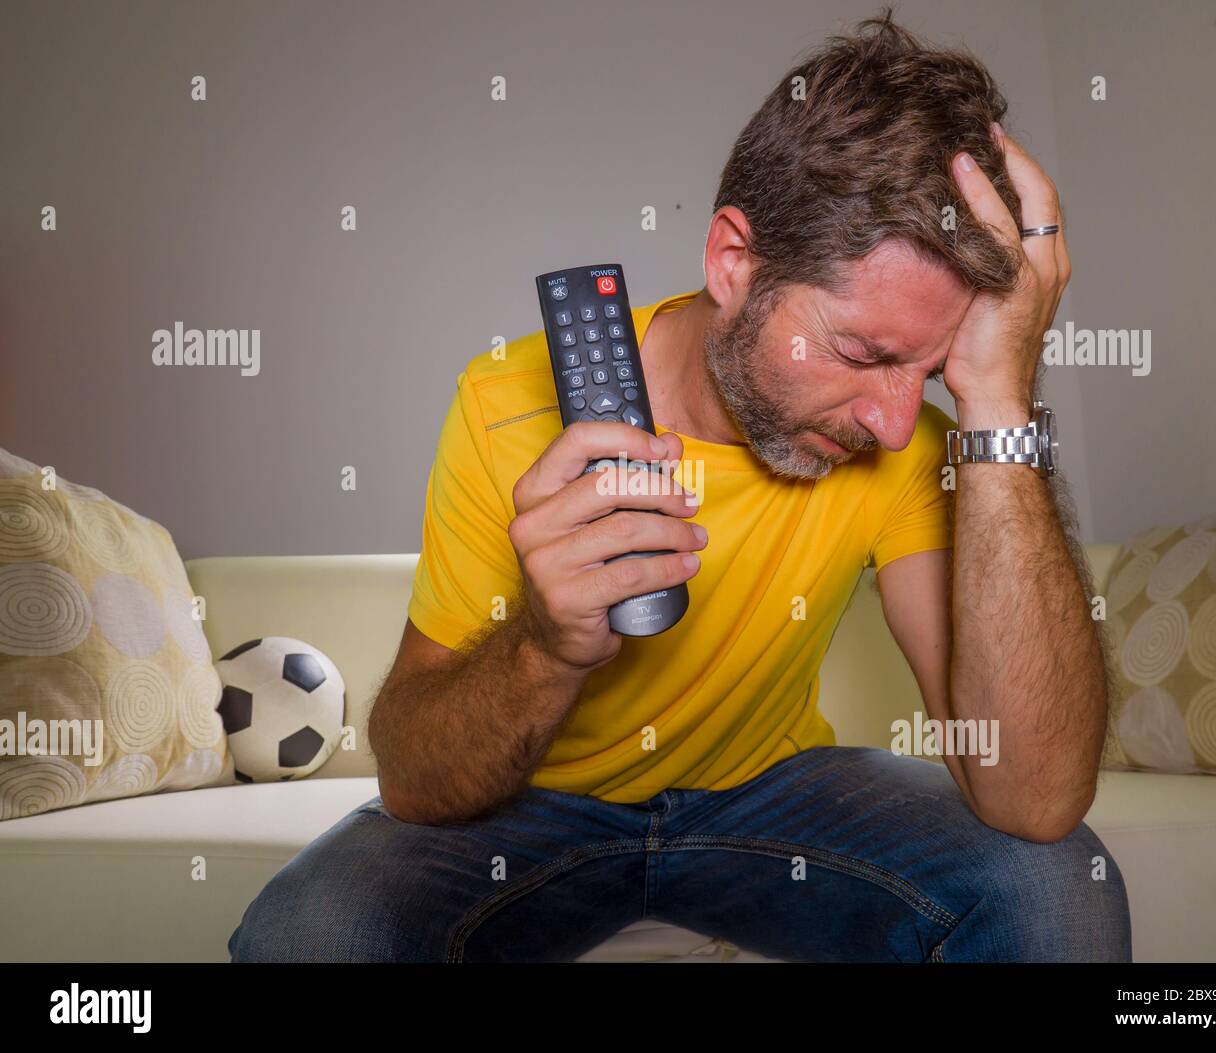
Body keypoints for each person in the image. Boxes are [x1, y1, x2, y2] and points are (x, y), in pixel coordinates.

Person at [230, 10, 1131, 963]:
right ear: (733, 263)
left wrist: (996, 400)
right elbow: (413, 778)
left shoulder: (920, 447)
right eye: (862, 353)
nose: (897, 422)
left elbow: (1032, 799)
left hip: (771, 797)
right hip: (537, 810)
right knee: (309, 937)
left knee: (1056, 895)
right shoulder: (505, 405)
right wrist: (545, 644)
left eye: (936, 368)